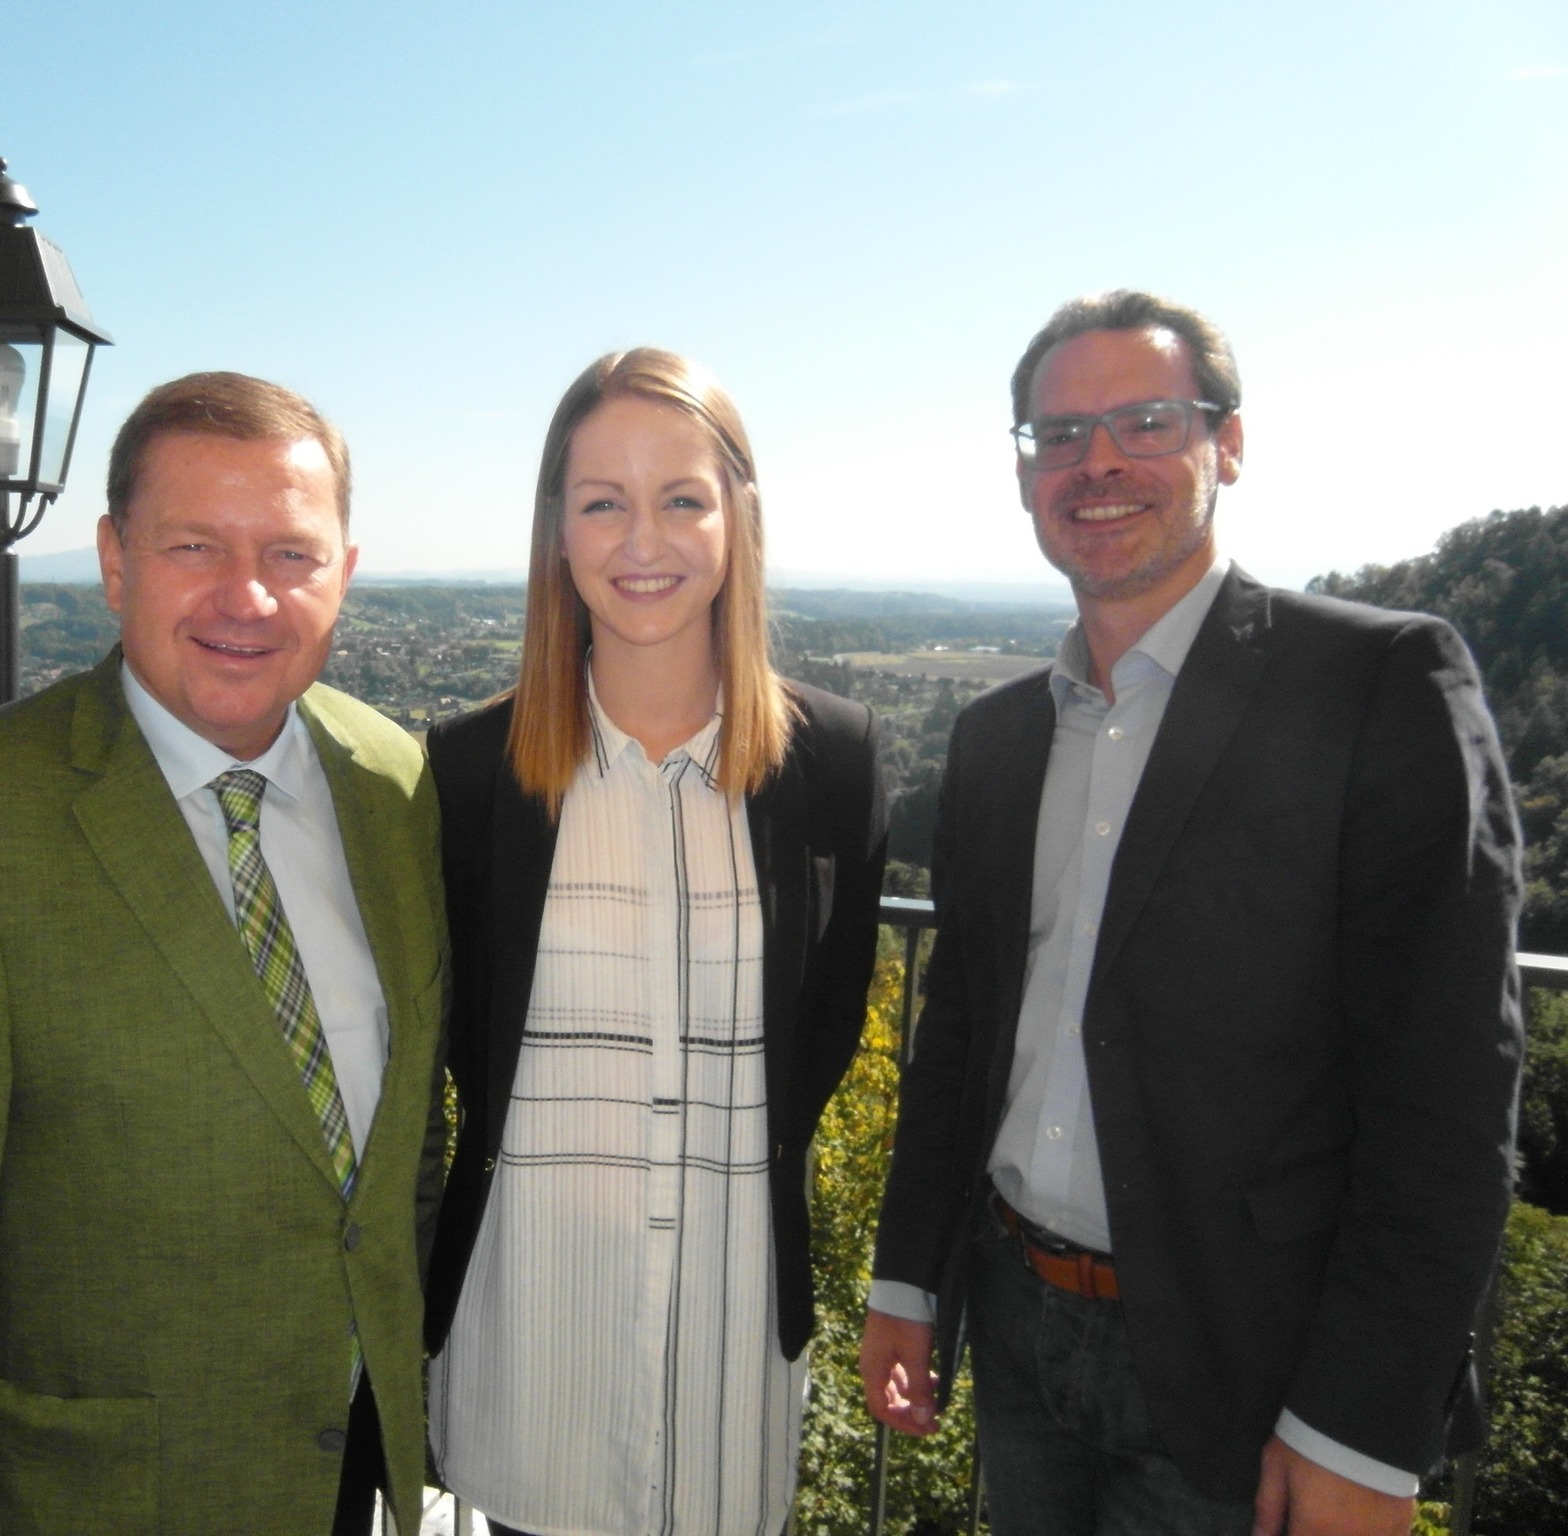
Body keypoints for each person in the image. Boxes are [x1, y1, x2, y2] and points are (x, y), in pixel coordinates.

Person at [862, 291, 1524, 1536]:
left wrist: (1359, 1430)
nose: (1095, 461)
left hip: (1249, 1364)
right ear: (1022, 478)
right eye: (1056, 435)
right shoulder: (995, 737)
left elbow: (1446, 1093)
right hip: (1013, 1329)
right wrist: (911, 1278)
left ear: (1226, 444)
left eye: (1143, 421)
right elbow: (955, 1037)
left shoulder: (1376, 685)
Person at [0, 372, 448, 1535]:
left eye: (292, 555)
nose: (245, 596)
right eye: (193, 544)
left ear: (344, 573)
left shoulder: (393, 782)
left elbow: (405, 1156)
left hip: (361, 1467)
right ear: (113, 561)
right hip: (99, 1498)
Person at [424, 348, 890, 1535]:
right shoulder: (467, 774)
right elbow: (451, 1042)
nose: (643, 540)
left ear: (737, 517)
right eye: (601, 502)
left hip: (735, 1351)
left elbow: (823, 1030)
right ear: (556, 533)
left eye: (680, 497)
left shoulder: (831, 763)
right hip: (532, 1343)